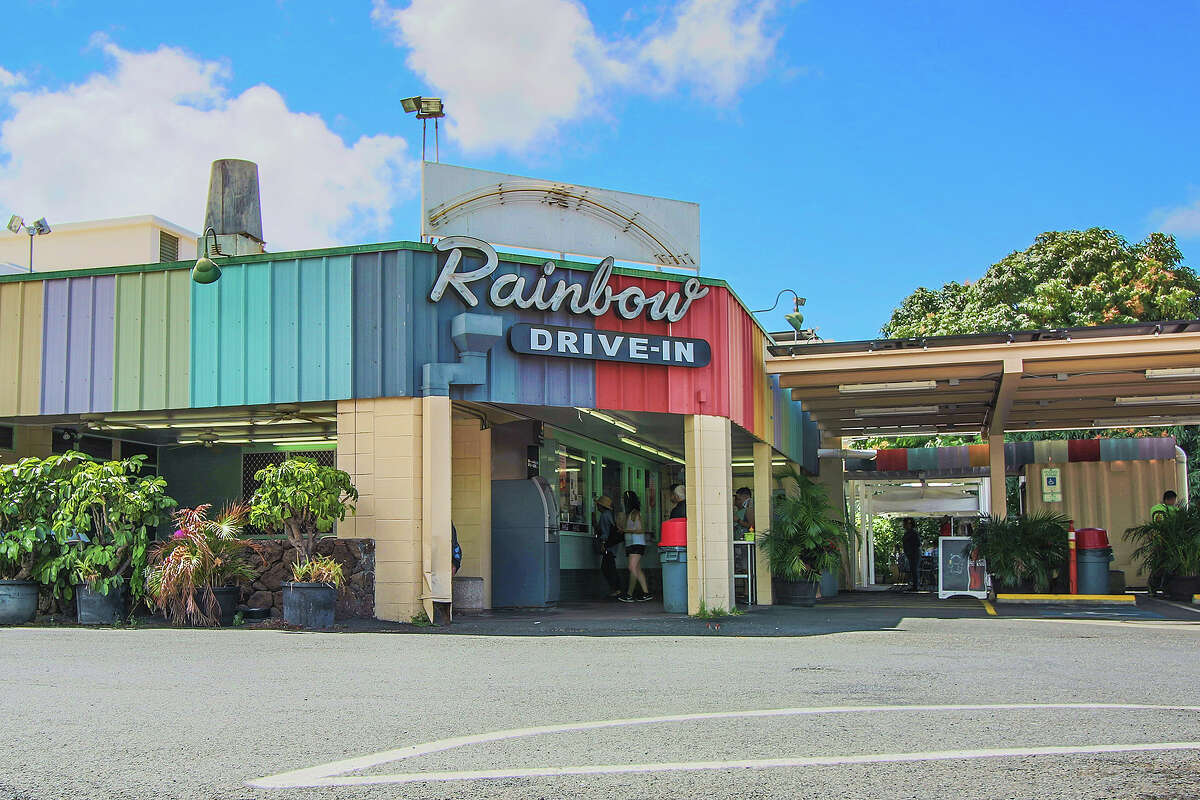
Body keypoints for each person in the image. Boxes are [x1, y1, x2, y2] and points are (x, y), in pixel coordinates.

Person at [618, 490, 653, 602]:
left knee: (632, 567)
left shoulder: (635, 513)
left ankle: (635, 593)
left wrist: (625, 530)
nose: (622, 502)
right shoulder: (630, 514)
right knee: (637, 568)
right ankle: (640, 593)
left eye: (624, 500)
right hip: (632, 544)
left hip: (636, 544)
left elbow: (640, 530)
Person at [595, 495, 623, 599]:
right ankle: (617, 589)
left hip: (608, 545)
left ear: (601, 506)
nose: (597, 506)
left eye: (598, 504)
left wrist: (603, 544)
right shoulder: (610, 515)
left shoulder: (604, 516)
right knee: (610, 566)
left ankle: (616, 589)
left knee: (607, 567)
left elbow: (605, 532)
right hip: (613, 545)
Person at [902, 517, 921, 592]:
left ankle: (915, 586)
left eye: (905, 524)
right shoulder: (908, 532)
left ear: (909, 524)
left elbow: (918, 543)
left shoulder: (913, 533)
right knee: (912, 569)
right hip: (910, 554)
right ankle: (914, 585)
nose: (904, 525)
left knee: (914, 569)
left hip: (914, 553)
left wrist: (911, 549)